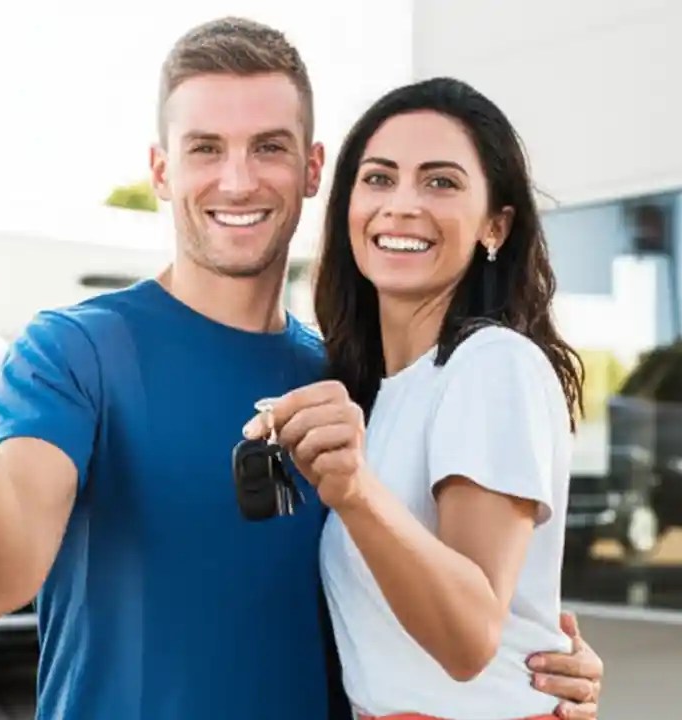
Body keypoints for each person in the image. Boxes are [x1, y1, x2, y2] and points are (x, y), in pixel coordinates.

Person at [0, 16, 604, 720]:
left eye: (268, 147)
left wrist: (535, 669)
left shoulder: (345, 382)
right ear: (161, 171)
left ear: (311, 171)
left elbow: (431, 604)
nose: (237, 180)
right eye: (205, 148)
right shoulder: (75, 352)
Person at [245, 76, 602, 719]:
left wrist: (354, 492)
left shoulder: (493, 364)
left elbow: (469, 640)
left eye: (441, 182)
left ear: (495, 224)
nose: (402, 204)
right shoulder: (380, 391)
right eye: (379, 178)